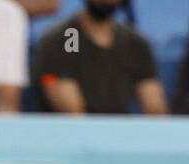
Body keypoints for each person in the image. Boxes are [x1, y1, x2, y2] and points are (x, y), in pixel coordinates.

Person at [35, 0, 167, 114]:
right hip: (68, 137)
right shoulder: (68, 37)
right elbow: (69, 109)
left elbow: (155, 106)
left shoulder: (135, 44)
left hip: (121, 135)